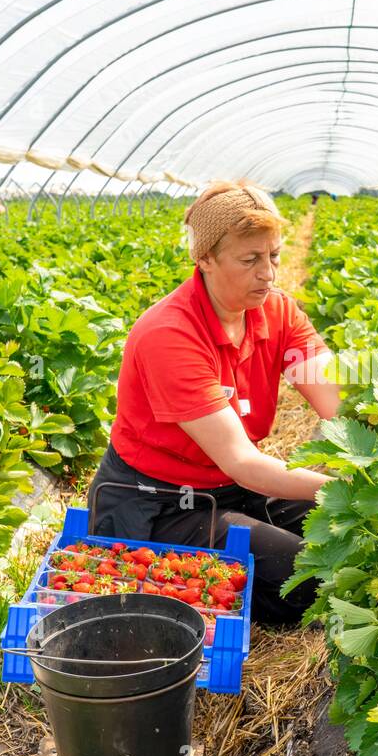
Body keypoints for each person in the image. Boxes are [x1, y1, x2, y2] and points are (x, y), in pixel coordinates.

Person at [88, 180, 340, 624]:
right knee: (313, 575)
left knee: (349, 530)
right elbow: (241, 459)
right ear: (204, 259)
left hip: (232, 489)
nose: (268, 273)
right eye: (250, 260)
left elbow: (333, 395)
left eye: (274, 255)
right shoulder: (170, 335)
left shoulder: (277, 312)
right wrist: (338, 487)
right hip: (160, 504)